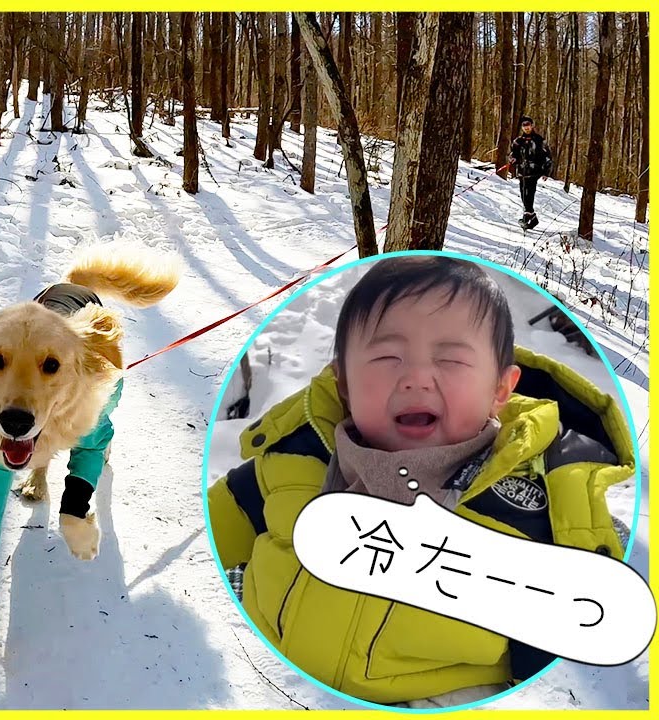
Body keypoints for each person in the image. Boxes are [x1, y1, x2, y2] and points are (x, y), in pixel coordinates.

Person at [207, 256, 632, 707]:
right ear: (344, 383)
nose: (415, 378)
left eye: (450, 359)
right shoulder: (299, 456)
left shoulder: (539, 508)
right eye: (387, 356)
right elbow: (212, 528)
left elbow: (559, 642)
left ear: (500, 390)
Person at [509, 116, 554, 230]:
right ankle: (532, 218)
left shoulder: (539, 140)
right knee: (524, 195)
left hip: (534, 172)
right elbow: (513, 154)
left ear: (532, 125)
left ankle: (527, 218)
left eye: (528, 124)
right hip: (522, 172)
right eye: (524, 125)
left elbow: (548, 156)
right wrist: (513, 159)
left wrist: (546, 172)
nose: (526, 127)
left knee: (529, 194)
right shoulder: (518, 141)